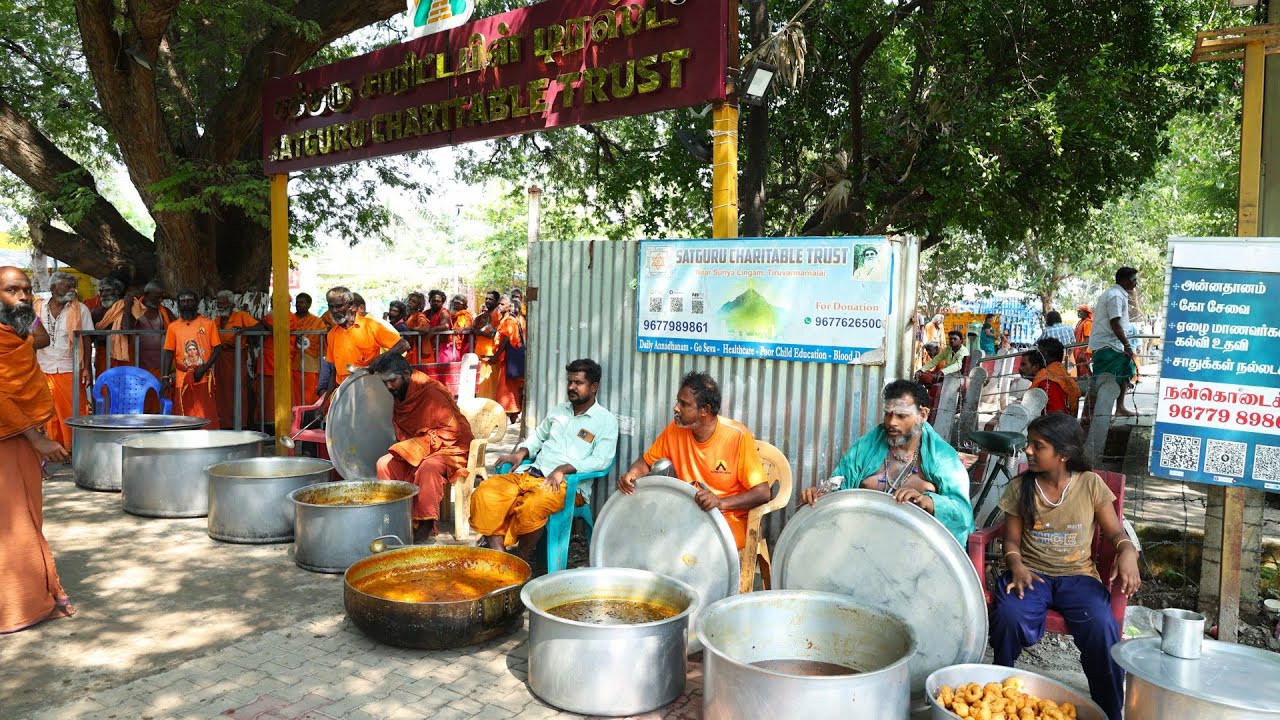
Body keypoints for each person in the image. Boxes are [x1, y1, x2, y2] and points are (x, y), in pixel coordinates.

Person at [989, 413, 1139, 720]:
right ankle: (1001, 696)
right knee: (1009, 614)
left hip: (1078, 578)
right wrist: (1015, 565)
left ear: (1063, 454)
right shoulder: (1020, 487)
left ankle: (1110, 710)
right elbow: (1012, 541)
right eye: (1028, 443)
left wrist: (1127, 551)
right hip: (1030, 574)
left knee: (1101, 625)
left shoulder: (1090, 485)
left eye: (1038, 445)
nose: (1028, 450)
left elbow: (1115, 533)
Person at [471, 358, 618, 560]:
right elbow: (539, 436)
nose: (571, 387)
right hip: (531, 473)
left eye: (578, 383)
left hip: (567, 486)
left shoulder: (605, 421)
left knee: (532, 505)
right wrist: (521, 452)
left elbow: (601, 460)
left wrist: (564, 469)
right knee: (486, 492)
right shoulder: (560, 410)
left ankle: (521, 559)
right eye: (570, 382)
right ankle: (501, 557)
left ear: (594, 387)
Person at [800, 379, 973, 545]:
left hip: (918, 554)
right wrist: (820, 495)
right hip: (859, 545)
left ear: (923, 414)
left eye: (901, 415)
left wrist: (928, 502)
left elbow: (962, 513)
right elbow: (839, 486)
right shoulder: (866, 447)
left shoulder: (943, 457)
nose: (891, 422)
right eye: (888, 414)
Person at [0, 266, 76, 633]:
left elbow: (42, 340)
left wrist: (25, 314)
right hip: (9, 435)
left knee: (28, 515)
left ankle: (36, 595)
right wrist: (38, 439)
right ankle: (17, 606)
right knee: (13, 522)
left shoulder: (17, 327)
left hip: (21, 434)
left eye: (27, 290)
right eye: (12, 290)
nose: (23, 296)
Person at [617, 372, 770, 549]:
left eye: (684, 404)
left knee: (693, 549)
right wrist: (633, 474)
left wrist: (720, 503)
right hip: (687, 515)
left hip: (727, 519)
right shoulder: (675, 429)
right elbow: (646, 462)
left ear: (704, 410)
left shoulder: (737, 436)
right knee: (648, 536)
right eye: (678, 401)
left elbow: (763, 493)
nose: (675, 408)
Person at [369, 353, 474, 542]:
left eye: (392, 381)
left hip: (449, 449)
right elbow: (403, 430)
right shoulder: (400, 395)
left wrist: (419, 446)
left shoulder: (431, 393)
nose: (388, 387)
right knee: (383, 464)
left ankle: (424, 523)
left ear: (406, 374)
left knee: (428, 467)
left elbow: (452, 432)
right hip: (418, 447)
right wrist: (412, 447)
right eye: (384, 382)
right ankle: (392, 516)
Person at [33, 272, 93, 451]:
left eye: (73, 286)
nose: (72, 289)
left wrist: (87, 368)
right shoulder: (38, 308)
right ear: (53, 288)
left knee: (74, 411)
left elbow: (87, 339)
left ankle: (75, 448)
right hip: (42, 367)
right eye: (67, 286)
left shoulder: (80, 309)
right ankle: (55, 447)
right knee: (48, 413)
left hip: (70, 367)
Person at [321, 286, 409, 390]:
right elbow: (334, 371)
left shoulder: (371, 326)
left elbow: (403, 345)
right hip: (343, 391)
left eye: (339, 306)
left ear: (350, 305)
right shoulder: (332, 334)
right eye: (331, 307)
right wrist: (325, 401)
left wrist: (379, 361)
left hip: (369, 389)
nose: (334, 311)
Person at [161, 289, 223, 427]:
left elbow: (218, 349)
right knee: (184, 416)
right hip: (181, 377)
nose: (186, 304)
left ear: (197, 303)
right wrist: (165, 378)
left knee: (205, 414)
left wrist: (203, 369)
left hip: (203, 377)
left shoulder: (208, 323)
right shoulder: (173, 327)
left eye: (190, 300)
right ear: (178, 304)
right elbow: (168, 352)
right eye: (182, 301)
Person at [1088, 268, 1139, 417]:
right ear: (1124, 280)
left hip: (1114, 345)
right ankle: (1094, 414)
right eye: (1134, 279)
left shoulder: (1118, 295)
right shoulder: (1115, 296)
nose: (1135, 283)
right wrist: (1127, 345)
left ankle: (1120, 407)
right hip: (1107, 345)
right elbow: (1115, 323)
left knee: (1126, 369)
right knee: (1102, 379)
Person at [213, 291, 257, 429]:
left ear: (232, 304)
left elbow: (258, 327)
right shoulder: (217, 320)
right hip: (220, 359)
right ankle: (224, 424)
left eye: (223, 303)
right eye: (218, 304)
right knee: (221, 392)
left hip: (236, 357)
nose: (220, 306)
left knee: (239, 390)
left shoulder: (241, 316)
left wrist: (244, 330)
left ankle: (241, 424)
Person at [1019, 339, 1081, 416]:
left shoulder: (1047, 381)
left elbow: (1058, 414)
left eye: (1040, 353)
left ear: (1046, 355)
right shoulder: (1060, 374)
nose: (1037, 356)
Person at [290, 293, 329, 405]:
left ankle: (310, 416)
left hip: (310, 362)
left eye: (302, 302)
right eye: (297, 302)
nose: (298, 305)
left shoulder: (317, 322)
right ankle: (296, 417)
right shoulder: (291, 320)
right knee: (294, 391)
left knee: (310, 390)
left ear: (309, 304)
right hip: (293, 360)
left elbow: (322, 341)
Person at [493, 295, 524, 422]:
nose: (499, 306)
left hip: (508, 358)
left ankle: (511, 413)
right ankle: (512, 414)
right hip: (507, 358)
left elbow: (505, 339)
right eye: (499, 304)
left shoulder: (509, 320)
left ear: (509, 306)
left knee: (507, 387)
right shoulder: (505, 319)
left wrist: (496, 355)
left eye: (502, 304)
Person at [472, 290, 502, 400]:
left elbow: (496, 334)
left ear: (497, 302)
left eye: (491, 299)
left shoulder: (498, 316)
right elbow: (474, 328)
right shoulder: (483, 315)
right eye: (487, 298)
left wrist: (481, 332)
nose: (488, 301)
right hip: (480, 354)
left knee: (490, 388)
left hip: (491, 356)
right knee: (481, 387)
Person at [1073, 305, 1093, 377]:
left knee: (1084, 372)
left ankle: (1088, 386)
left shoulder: (1088, 323)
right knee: (1079, 372)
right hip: (1078, 351)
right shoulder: (1080, 322)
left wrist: (1083, 352)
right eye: (1077, 311)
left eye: (1079, 311)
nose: (1078, 313)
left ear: (1085, 312)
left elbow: (1088, 338)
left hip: (1084, 351)